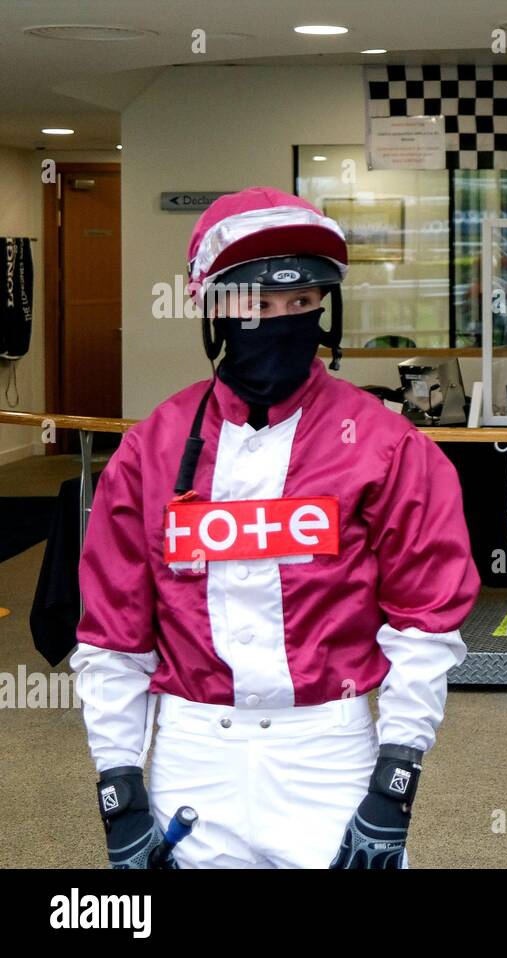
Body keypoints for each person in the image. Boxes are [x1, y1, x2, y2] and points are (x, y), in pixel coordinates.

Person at [70, 187, 480, 868]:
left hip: (330, 754)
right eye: (256, 304)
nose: (282, 320)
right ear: (214, 311)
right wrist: (119, 787)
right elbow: (114, 638)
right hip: (194, 755)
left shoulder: (388, 444)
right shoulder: (152, 449)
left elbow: (424, 627)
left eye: (301, 303)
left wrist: (395, 782)